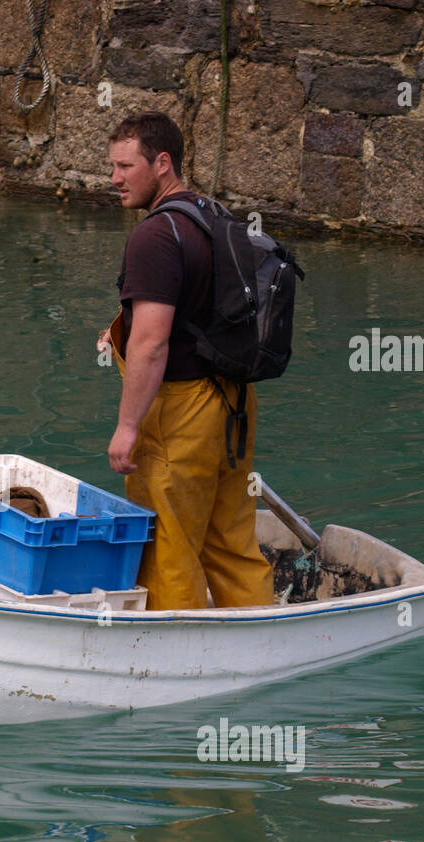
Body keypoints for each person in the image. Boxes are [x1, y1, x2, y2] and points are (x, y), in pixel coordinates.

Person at [102, 111, 273, 611]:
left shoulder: (154, 236)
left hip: (180, 412)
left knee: (167, 548)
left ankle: (177, 660)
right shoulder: (214, 216)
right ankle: (259, 639)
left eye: (125, 166)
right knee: (231, 542)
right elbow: (201, 313)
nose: (114, 178)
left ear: (162, 162)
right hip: (234, 405)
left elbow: (152, 345)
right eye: (112, 166)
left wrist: (127, 427)